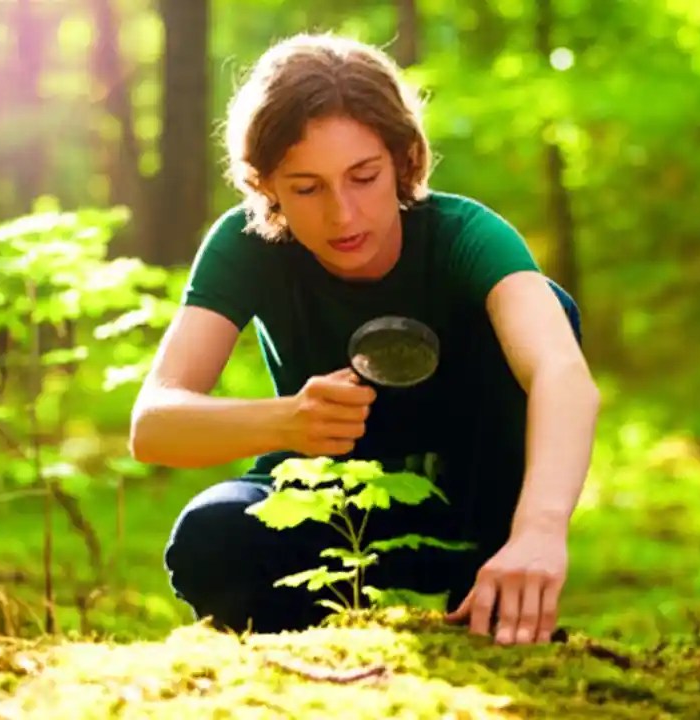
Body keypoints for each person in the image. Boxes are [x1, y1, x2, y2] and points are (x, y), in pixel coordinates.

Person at [128, 32, 600, 647]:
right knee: (211, 535)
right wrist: (286, 422)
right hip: (322, 506)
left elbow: (561, 373)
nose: (343, 215)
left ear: (404, 161)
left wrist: (539, 530)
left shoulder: (466, 236)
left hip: (471, 515)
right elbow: (154, 423)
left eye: (363, 176)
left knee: (548, 307)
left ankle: (491, 611)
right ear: (266, 186)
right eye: (306, 188)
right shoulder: (245, 246)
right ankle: (312, 660)